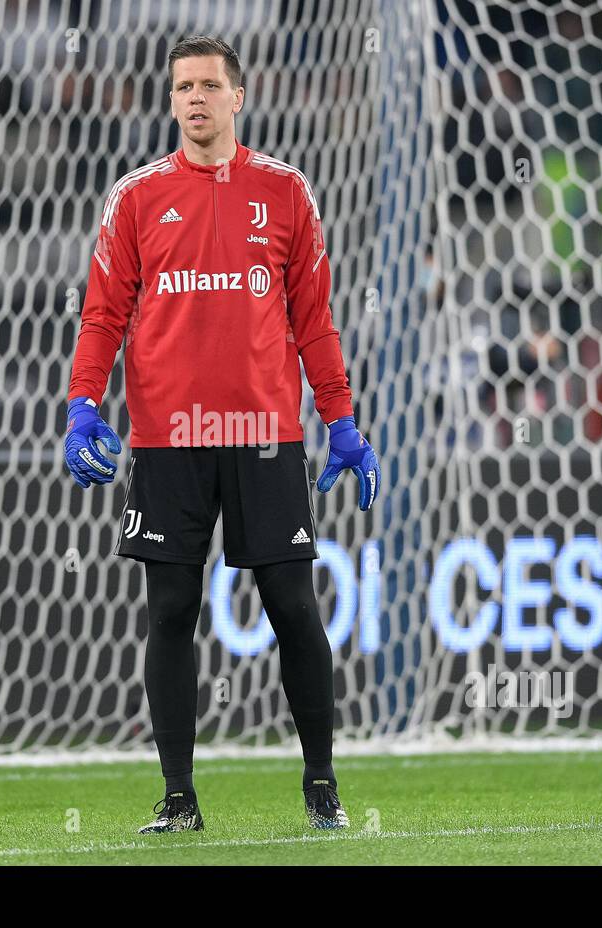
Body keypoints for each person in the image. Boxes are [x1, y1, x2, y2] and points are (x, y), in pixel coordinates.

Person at [63, 36, 381, 834]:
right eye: (182, 87)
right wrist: (82, 406)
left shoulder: (285, 192)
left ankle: (321, 784)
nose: (195, 98)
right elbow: (103, 313)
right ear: (171, 101)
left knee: (292, 606)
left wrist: (341, 422)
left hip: (265, 433)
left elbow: (314, 319)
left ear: (240, 96)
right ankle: (178, 796)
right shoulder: (136, 197)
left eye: (209, 85)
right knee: (170, 607)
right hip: (167, 439)